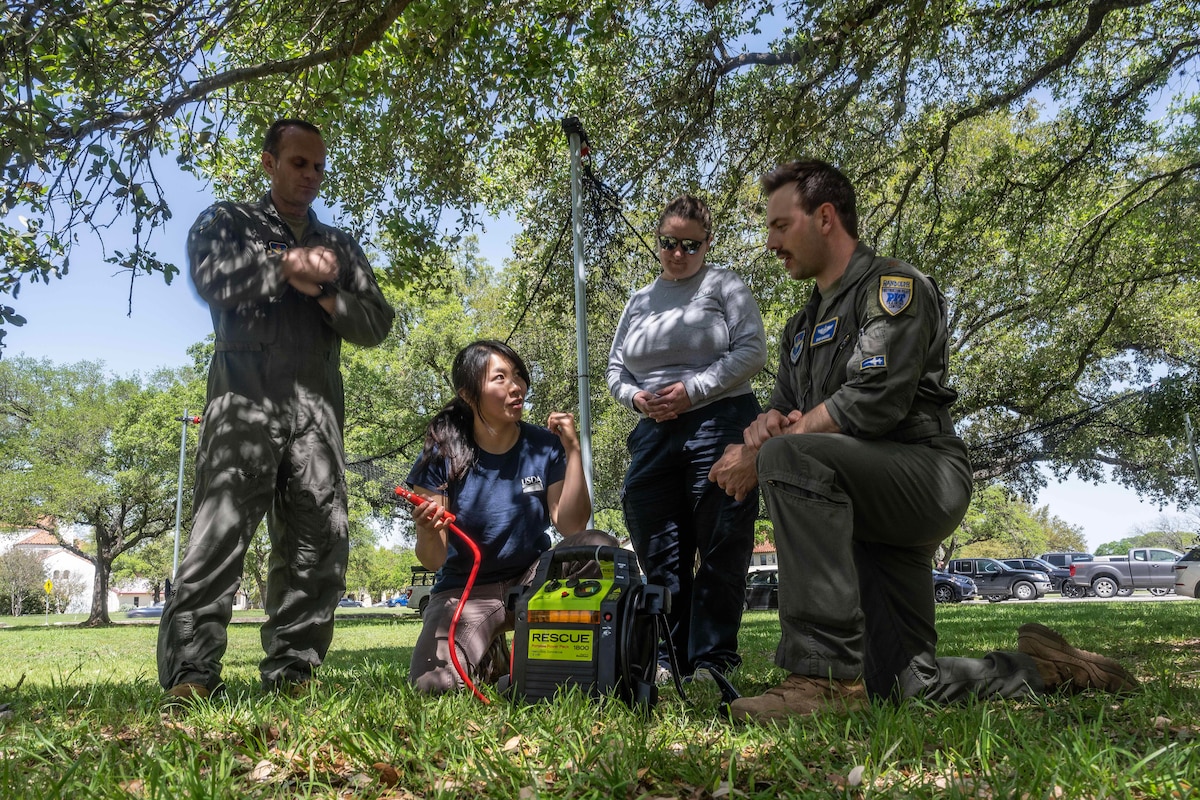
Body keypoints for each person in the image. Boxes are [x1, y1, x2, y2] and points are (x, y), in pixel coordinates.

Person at [709, 159, 1137, 721]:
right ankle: (1050, 669)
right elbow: (784, 407)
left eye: (780, 225)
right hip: (857, 501)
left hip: (920, 475)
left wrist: (767, 447)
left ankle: (821, 678)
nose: (770, 243)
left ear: (826, 217)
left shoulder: (894, 288)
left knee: (790, 455)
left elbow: (875, 398)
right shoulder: (800, 328)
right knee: (908, 685)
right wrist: (763, 424)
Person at [157, 119, 395, 704]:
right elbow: (214, 281)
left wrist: (325, 291)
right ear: (269, 163)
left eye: (318, 166)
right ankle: (191, 674)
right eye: (298, 163)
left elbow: (377, 322)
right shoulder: (227, 221)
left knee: (318, 541)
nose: (311, 175)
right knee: (218, 538)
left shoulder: (339, 246)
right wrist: (285, 268)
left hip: (316, 415)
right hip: (243, 407)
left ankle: (293, 673)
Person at [607, 193, 767, 682]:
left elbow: (752, 351)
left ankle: (713, 659)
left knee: (720, 543)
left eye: (690, 246)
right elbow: (616, 368)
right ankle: (671, 660)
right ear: (658, 241)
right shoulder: (638, 301)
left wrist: (693, 390)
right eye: (669, 243)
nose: (679, 254)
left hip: (719, 421)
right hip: (654, 430)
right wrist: (636, 399)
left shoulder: (724, 286)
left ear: (706, 243)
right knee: (660, 549)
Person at [406, 339, 615, 694]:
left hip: (534, 583)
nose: (516, 386)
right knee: (433, 685)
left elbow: (571, 526)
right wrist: (427, 529)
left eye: (517, 375)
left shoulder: (543, 446)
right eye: (499, 378)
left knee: (598, 548)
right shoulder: (442, 453)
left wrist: (573, 451)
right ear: (469, 395)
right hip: (465, 591)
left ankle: (540, 665)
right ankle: (491, 653)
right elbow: (433, 558)